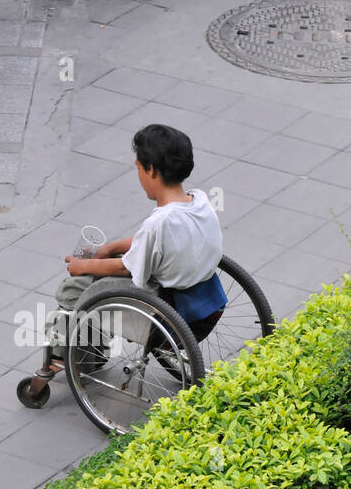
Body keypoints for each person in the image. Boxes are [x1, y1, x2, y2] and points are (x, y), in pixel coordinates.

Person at [35, 123, 225, 383]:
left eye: (138, 169)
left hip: (166, 310)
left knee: (73, 289)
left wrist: (83, 266)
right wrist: (111, 247)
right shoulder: (200, 201)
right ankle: (88, 346)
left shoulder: (158, 222)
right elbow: (157, 243)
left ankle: (80, 355)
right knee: (101, 267)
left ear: (150, 169)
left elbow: (125, 267)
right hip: (207, 303)